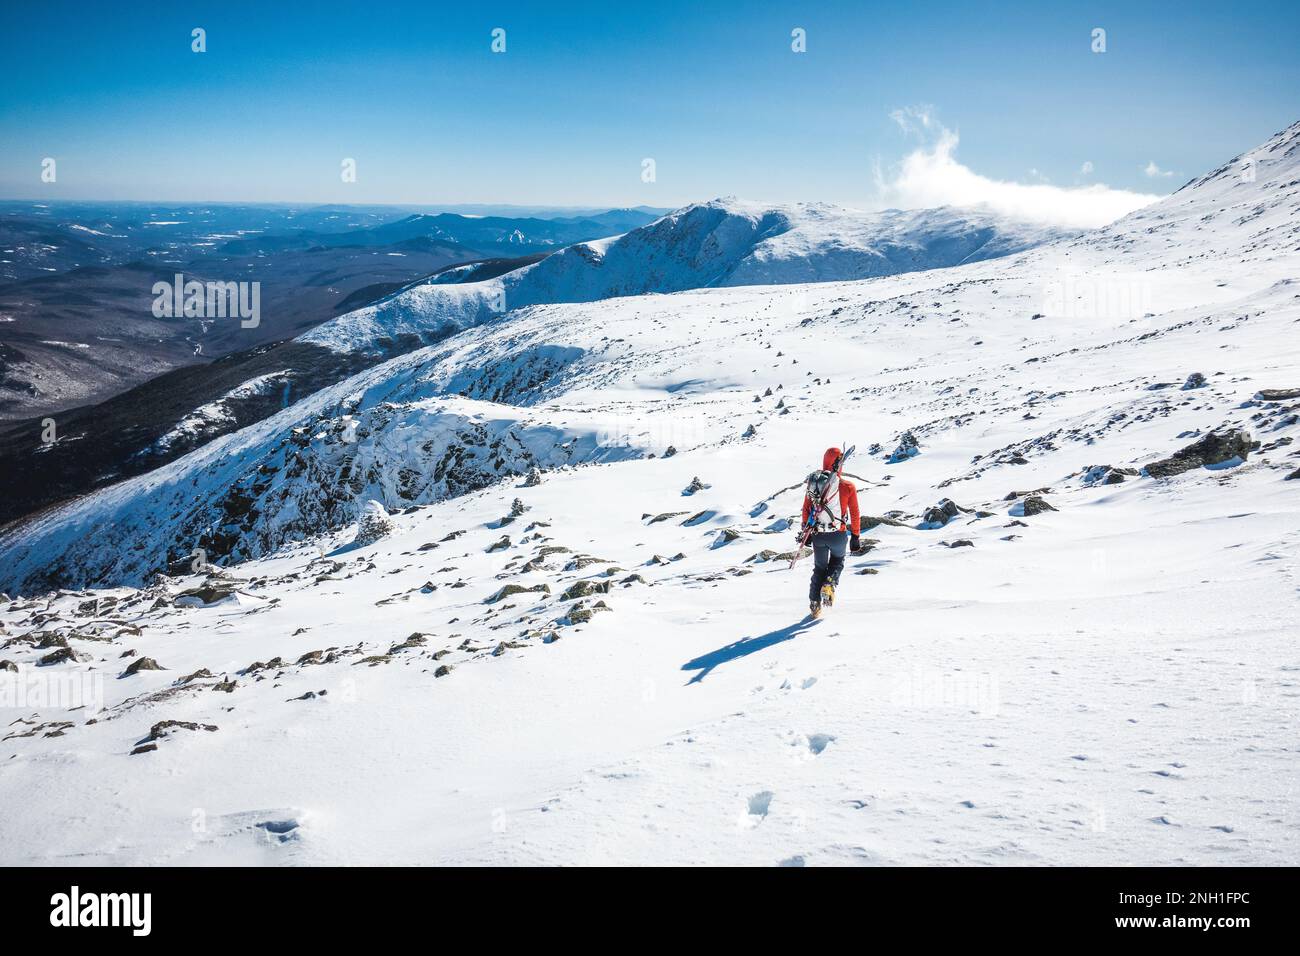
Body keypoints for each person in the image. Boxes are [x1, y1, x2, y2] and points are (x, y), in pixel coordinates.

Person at [800, 446, 861, 618]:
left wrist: (806, 532)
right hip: (837, 534)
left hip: (818, 534)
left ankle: (814, 604)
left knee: (819, 568)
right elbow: (855, 513)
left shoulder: (814, 484)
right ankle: (829, 583)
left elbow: (806, 509)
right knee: (837, 562)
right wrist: (855, 536)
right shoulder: (847, 486)